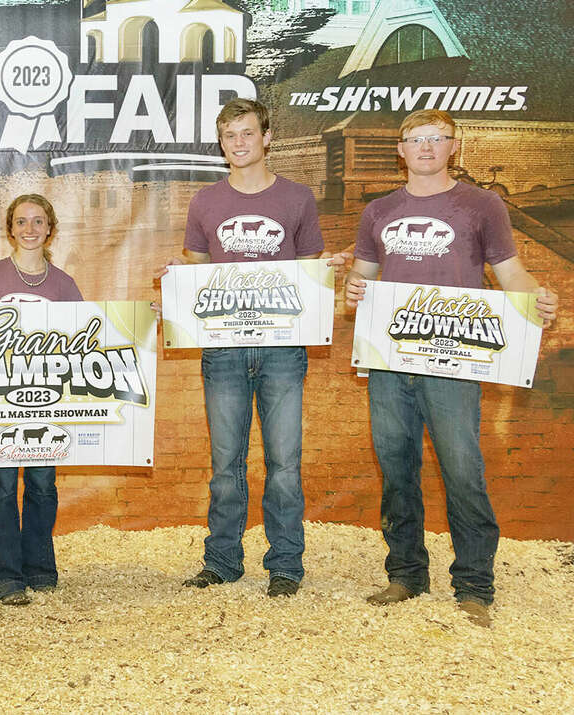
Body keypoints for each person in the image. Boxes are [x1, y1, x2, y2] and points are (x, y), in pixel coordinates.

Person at [344, 109, 559, 627]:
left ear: (453, 147)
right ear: (401, 149)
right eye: (415, 139)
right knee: (396, 469)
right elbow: (362, 280)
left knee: (463, 470)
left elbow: (510, 273)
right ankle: (406, 574)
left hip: (455, 357)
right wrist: (352, 292)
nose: (425, 147)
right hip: (389, 358)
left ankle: (474, 585)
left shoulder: (482, 205)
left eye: (436, 139)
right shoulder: (378, 211)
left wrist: (538, 299)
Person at [164, 99, 343, 597]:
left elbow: (312, 270)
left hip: (283, 349)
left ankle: (285, 563)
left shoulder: (298, 199)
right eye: (228, 136)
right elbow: (197, 271)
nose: (238, 144)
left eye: (246, 133)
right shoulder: (205, 202)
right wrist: (175, 287)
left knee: (284, 462)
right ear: (221, 144)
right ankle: (222, 561)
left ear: (267, 137)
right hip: (222, 349)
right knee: (226, 463)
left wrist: (333, 273)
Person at [0, 194, 83, 606]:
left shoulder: (64, 285)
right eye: (21, 222)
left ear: (50, 229)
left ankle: (39, 566)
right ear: (9, 229)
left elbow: (89, 340)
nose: (29, 230)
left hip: (47, 401)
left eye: (37, 222)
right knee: (0, 484)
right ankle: (4, 574)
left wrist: (143, 319)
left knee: (43, 484)